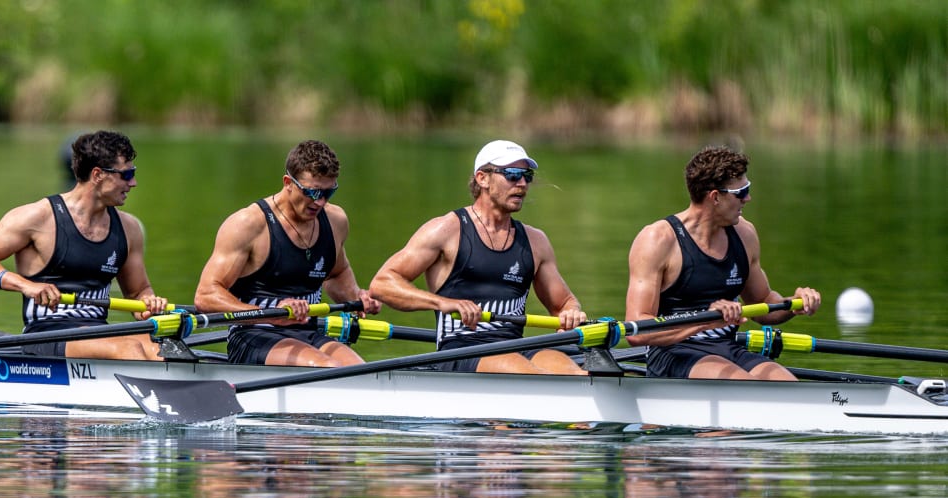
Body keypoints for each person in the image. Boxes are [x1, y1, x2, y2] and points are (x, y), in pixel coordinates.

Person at [369, 139, 587, 375]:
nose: (522, 183)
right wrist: (441, 303)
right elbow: (382, 284)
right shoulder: (446, 230)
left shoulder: (536, 241)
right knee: (528, 373)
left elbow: (563, 303)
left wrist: (571, 313)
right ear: (482, 178)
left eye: (527, 175)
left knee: (574, 373)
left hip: (517, 346)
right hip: (461, 350)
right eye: (512, 175)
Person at [0, 130, 169, 360]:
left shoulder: (129, 229)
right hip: (47, 334)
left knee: (164, 350)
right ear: (98, 174)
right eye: (126, 174)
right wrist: (25, 285)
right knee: (130, 350)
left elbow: (138, 291)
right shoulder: (38, 218)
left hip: (101, 331)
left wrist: (148, 303)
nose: (133, 182)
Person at [623, 145, 821, 380]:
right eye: (741, 192)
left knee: (788, 387)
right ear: (715, 197)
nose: (748, 198)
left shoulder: (744, 234)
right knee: (744, 386)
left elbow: (763, 302)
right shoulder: (658, 240)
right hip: (673, 353)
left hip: (728, 349)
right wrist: (706, 321)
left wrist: (793, 304)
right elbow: (636, 328)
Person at [194, 139, 381, 367]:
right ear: (288, 183)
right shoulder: (249, 224)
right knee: (330, 368)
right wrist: (270, 313)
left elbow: (336, 274)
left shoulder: (336, 221)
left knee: (362, 371)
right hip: (254, 335)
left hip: (309, 332)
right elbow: (205, 295)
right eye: (312, 192)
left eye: (328, 192)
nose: (319, 202)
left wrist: (356, 296)